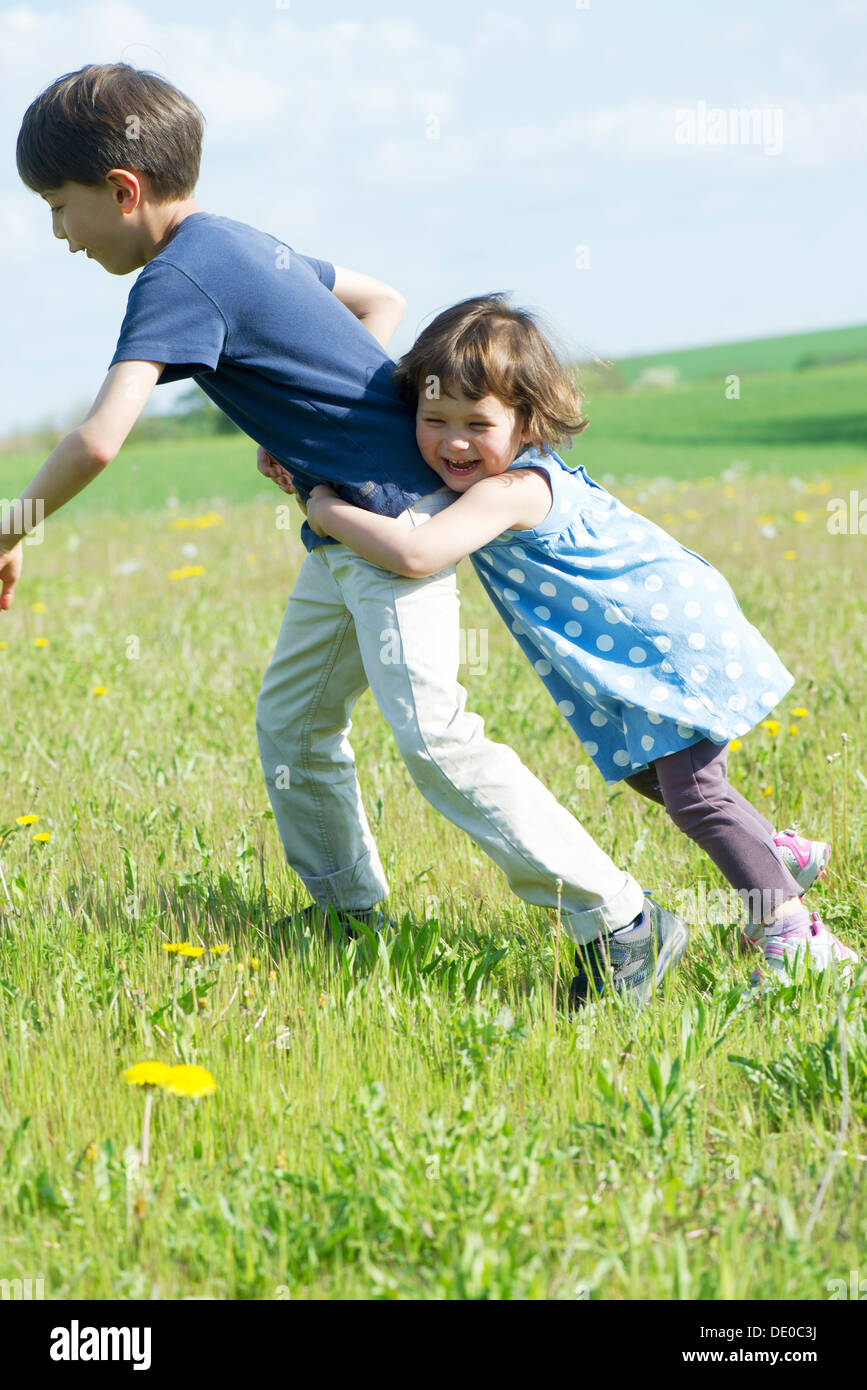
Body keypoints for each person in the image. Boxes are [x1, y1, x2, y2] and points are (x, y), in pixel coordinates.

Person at [0, 62, 690, 1008]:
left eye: (59, 205)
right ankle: (347, 912)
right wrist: (316, 430)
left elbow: (97, 438)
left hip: (389, 523)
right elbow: (382, 301)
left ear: (123, 192)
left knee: (437, 738)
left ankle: (618, 916)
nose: (58, 233)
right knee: (293, 724)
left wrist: (15, 526)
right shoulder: (235, 245)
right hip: (348, 531)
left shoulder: (173, 276)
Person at [297, 292, 858, 988]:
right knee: (646, 774)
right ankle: (771, 854)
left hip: (664, 647)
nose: (452, 442)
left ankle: (793, 934)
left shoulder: (510, 490)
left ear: (528, 420)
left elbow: (415, 555)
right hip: (643, 648)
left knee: (694, 797)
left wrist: (324, 507)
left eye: (477, 423)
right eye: (432, 420)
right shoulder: (493, 479)